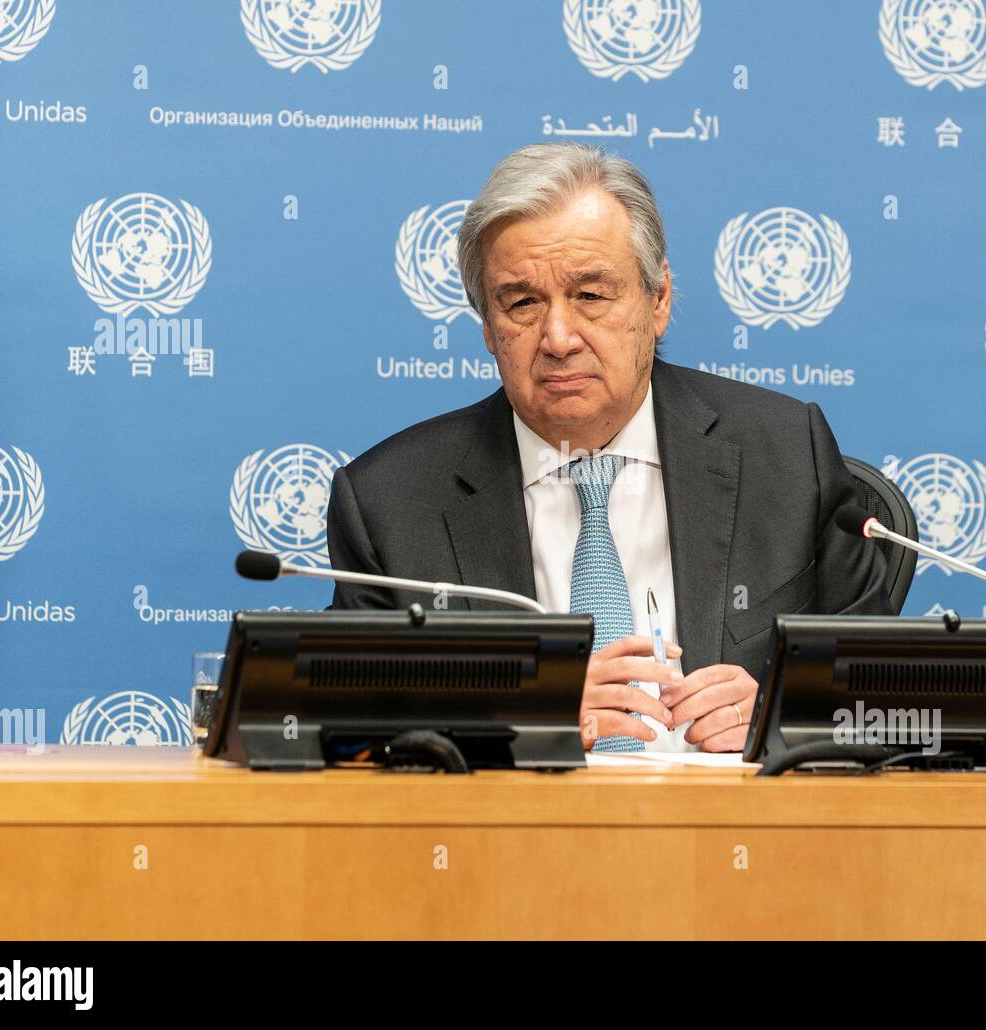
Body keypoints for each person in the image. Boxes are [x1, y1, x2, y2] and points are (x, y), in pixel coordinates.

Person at [327, 142, 891, 754]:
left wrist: (785, 715)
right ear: (488, 329)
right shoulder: (390, 501)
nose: (559, 337)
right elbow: (339, 726)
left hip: (735, 835)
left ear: (658, 302)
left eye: (591, 296)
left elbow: (893, 707)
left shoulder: (785, 456)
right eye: (522, 303)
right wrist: (526, 713)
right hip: (506, 840)